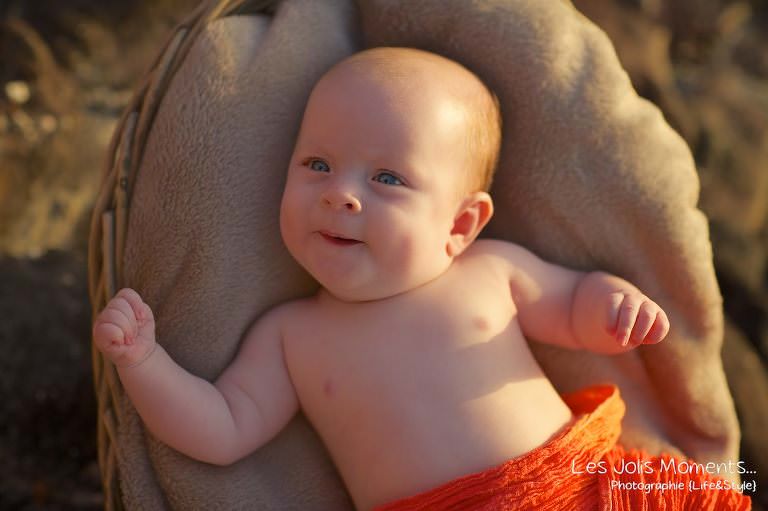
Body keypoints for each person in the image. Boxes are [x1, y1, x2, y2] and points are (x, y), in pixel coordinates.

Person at [92, 47, 750, 510]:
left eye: (386, 179)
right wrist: (144, 359)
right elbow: (222, 427)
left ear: (461, 225)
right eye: (317, 164)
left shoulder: (493, 273)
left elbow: (575, 305)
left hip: (584, 482)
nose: (340, 195)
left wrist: (614, 308)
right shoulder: (291, 334)